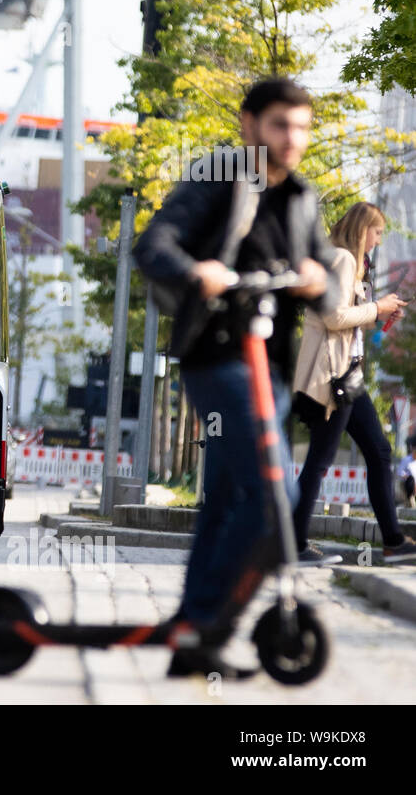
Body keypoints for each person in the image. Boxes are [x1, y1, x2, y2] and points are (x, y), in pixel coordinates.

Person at [132, 77, 339, 679]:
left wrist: (313, 276)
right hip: (217, 360)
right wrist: (200, 272)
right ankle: (211, 624)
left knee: (224, 501)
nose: (291, 139)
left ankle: (191, 631)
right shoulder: (220, 177)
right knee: (276, 501)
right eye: (279, 125)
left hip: (269, 369)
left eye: (300, 127)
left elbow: (325, 271)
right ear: (249, 124)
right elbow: (154, 245)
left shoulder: (301, 196)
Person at [291, 202, 416, 563]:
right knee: (320, 459)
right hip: (335, 376)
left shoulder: (346, 262)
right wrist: (376, 309)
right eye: (377, 233)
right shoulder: (344, 259)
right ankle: (293, 545)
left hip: (348, 375)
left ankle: (393, 541)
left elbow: (346, 320)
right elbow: (333, 316)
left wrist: (380, 311)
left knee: (378, 452)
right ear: (363, 231)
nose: (378, 242)